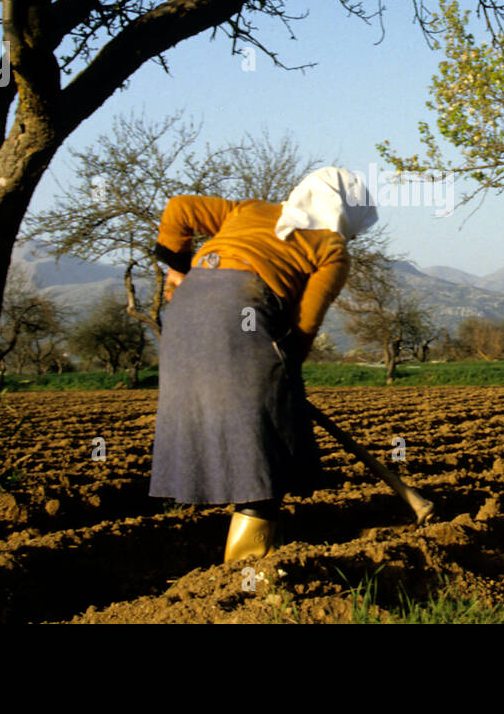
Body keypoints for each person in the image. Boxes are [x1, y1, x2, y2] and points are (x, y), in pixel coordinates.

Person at [149, 166, 378, 561]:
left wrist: (177, 274)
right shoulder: (332, 250)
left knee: (203, 407)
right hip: (245, 308)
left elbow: (179, 209)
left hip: (186, 311)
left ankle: (235, 537)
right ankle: (248, 563)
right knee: (268, 425)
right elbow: (305, 324)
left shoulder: (248, 210)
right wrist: (286, 371)